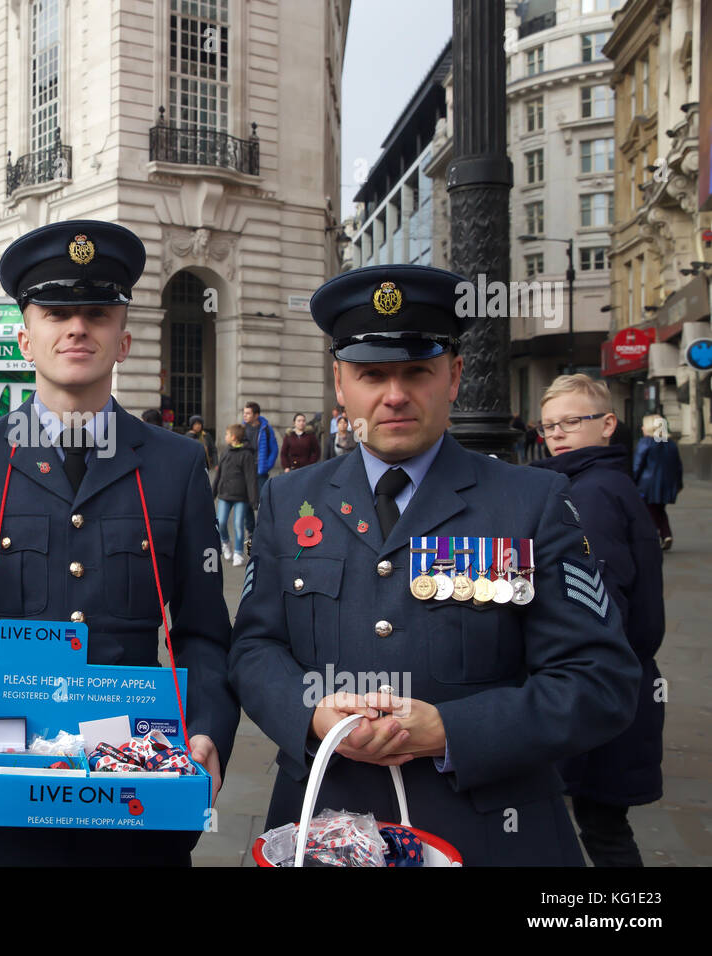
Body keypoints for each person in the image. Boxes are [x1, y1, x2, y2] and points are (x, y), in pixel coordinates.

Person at [229, 264, 639, 866]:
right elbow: (254, 647)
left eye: (417, 371)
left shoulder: (531, 502)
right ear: (340, 383)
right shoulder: (290, 500)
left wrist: (451, 731)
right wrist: (311, 713)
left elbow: (599, 680)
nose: (394, 395)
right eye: (371, 374)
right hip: (323, 819)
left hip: (490, 828)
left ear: (454, 377)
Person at [0, 219, 238, 867]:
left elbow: (203, 633)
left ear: (124, 338)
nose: (76, 327)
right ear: (26, 338)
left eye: (96, 313)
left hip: (136, 791)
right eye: (56, 312)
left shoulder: (175, 465)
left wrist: (206, 729)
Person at [531, 374, 663, 867]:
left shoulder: (589, 494)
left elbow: (598, 605)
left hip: (596, 693)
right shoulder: (606, 484)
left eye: (571, 421)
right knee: (603, 825)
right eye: (548, 425)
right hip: (624, 685)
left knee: (599, 831)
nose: (557, 433)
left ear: (608, 424)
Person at [633, 414, 682, 550]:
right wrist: (678, 484)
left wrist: (632, 481)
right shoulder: (671, 443)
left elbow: (637, 465)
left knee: (649, 512)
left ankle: (653, 537)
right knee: (659, 509)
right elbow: (678, 466)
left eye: (644, 425)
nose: (642, 427)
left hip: (647, 485)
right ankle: (666, 535)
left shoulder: (646, 442)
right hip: (666, 484)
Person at [212, 424, 257, 566]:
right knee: (221, 523)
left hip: (241, 497)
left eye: (226, 434)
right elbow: (218, 474)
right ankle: (225, 543)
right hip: (224, 495)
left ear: (234, 437)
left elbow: (251, 478)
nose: (225, 437)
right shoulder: (225, 452)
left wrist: (254, 500)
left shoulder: (247, 454)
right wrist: (212, 493)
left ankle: (238, 553)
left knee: (238, 525)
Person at [241, 402, 277, 540]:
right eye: (244, 413)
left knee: (263, 500)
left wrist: (267, 465)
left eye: (248, 413)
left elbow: (274, 449)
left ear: (256, 415)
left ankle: (262, 529)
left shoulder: (266, 428)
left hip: (260, 471)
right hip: (245, 472)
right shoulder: (242, 428)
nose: (245, 415)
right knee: (246, 502)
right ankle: (250, 530)